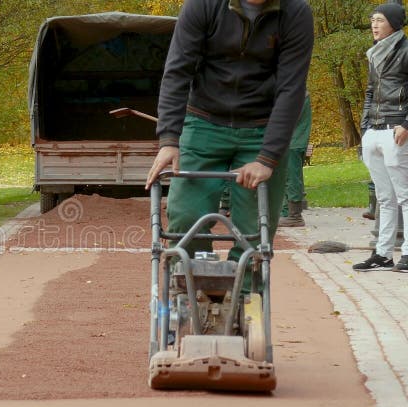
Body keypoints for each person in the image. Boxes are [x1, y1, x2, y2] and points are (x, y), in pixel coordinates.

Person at [145, 0, 314, 267]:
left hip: (263, 128)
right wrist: (169, 139)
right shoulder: (203, 5)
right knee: (187, 217)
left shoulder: (295, 12)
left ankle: (243, 292)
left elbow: (291, 89)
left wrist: (268, 158)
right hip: (203, 122)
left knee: (256, 232)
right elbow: (177, 72)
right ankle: (194, 280)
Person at [354, 2, 408, 273]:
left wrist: (406, 123)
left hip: (397, 130)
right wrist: (364, 129)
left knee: (405, 196)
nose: (374, 25)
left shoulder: (406, 51)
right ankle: (383, 254)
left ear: (394, 24)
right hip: (374, 131)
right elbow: (370, 92)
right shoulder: (375, 53)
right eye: (372, 20)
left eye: (380, 20)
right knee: (385, 199)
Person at [279, 93, 313, 227]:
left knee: (291, 176)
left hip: (292, 141)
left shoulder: (296, 93)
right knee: (286, 176)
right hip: (290, 141)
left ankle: (294, 215)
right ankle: (286, 212)